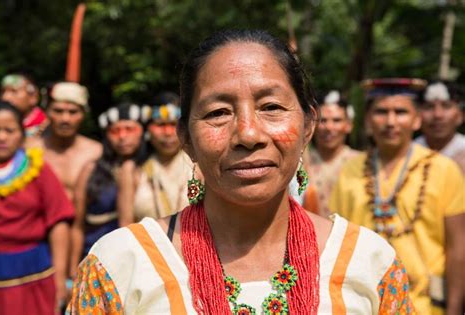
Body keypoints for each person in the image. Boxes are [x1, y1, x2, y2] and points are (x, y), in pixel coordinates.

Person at [67, 30, 413, 314]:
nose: (248, 134)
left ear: (309, 125)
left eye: (272, 107)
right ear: (185, 137)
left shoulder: (369, 263)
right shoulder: (119, 266)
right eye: (218, 112)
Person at [329, 78, 464, 314]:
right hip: (362, 303)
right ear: (368, 120)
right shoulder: (351, 170)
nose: (391, 121)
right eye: (381, 112)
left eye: (400, 112)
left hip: (426, 305)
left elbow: (458, 249)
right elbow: (337, 241)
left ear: (417, 119)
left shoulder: (443, 169)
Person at [0, 101, 74, 315]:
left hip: (35, 275)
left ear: (21, 134)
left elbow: (59, 222)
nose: (1, 137)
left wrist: (60, 279)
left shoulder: (38, 169)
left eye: (9, 130)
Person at [69, 103, 146, 277]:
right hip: (93, 255)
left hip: (137, 258)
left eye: (129, 129)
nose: (122, 137)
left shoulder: (151, 168)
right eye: (115, 131)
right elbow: (77, 225)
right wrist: (72, 271)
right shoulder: (91, 170)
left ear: (142, 131)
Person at [26, 81, 102, 200]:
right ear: (47, 113)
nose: (65, 119)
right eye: (58, 111)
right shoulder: (28, 149)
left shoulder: (96, 152)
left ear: (83, 115)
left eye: (73, 112)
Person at [133, 93, 193, 220]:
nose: (168, 133)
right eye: (160, 125)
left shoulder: (201, 167)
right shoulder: (134, 171)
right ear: (147, 129)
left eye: (173, 124)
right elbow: (126, 224)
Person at [305, 90, 359, 217]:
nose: (329, 127)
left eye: (336, 120)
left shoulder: (361, 162)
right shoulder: (300, 162)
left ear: (349, 125)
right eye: (323, 120)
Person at [415, 81, 465, 173]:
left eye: (446, 106)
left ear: (460, 115)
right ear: (417, 116)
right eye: (429, 107)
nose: (437, 115)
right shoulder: (407, 153)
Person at [0, 73, 48, 137]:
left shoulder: (46, 126)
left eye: (14, 91)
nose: (5, 97)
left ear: (33, 96)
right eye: (3, 91)